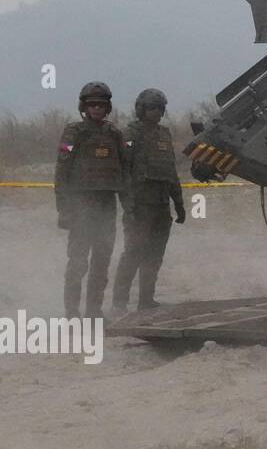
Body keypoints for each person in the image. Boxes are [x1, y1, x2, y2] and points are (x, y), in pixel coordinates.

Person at [55, 82, 129, 317]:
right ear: (84, 107)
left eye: (101, 104)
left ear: (107, 107)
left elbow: (124, 171)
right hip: (81, 206)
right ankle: (72, 312)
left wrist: (130, 207)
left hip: (107, 205)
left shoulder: (115, 134)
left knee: (102, 261)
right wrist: (64, 210)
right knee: (78, 261)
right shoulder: (73, 133)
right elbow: (62, 172)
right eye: (92, 104)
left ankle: (94, 311)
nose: (96, 108)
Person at [112, 88, 185, 314]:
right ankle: (119, 303)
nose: (158, 113)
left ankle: (146, 300)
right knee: (134, 252)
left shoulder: (164, 134)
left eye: (161, 108)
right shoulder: (130, 134)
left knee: (155, 254)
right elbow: (122, 172)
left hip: (161, 205)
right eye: (153, 108)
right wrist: (128, 204)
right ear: (141, 109)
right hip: (139, 205)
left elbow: (171, 171)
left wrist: (179, 203)